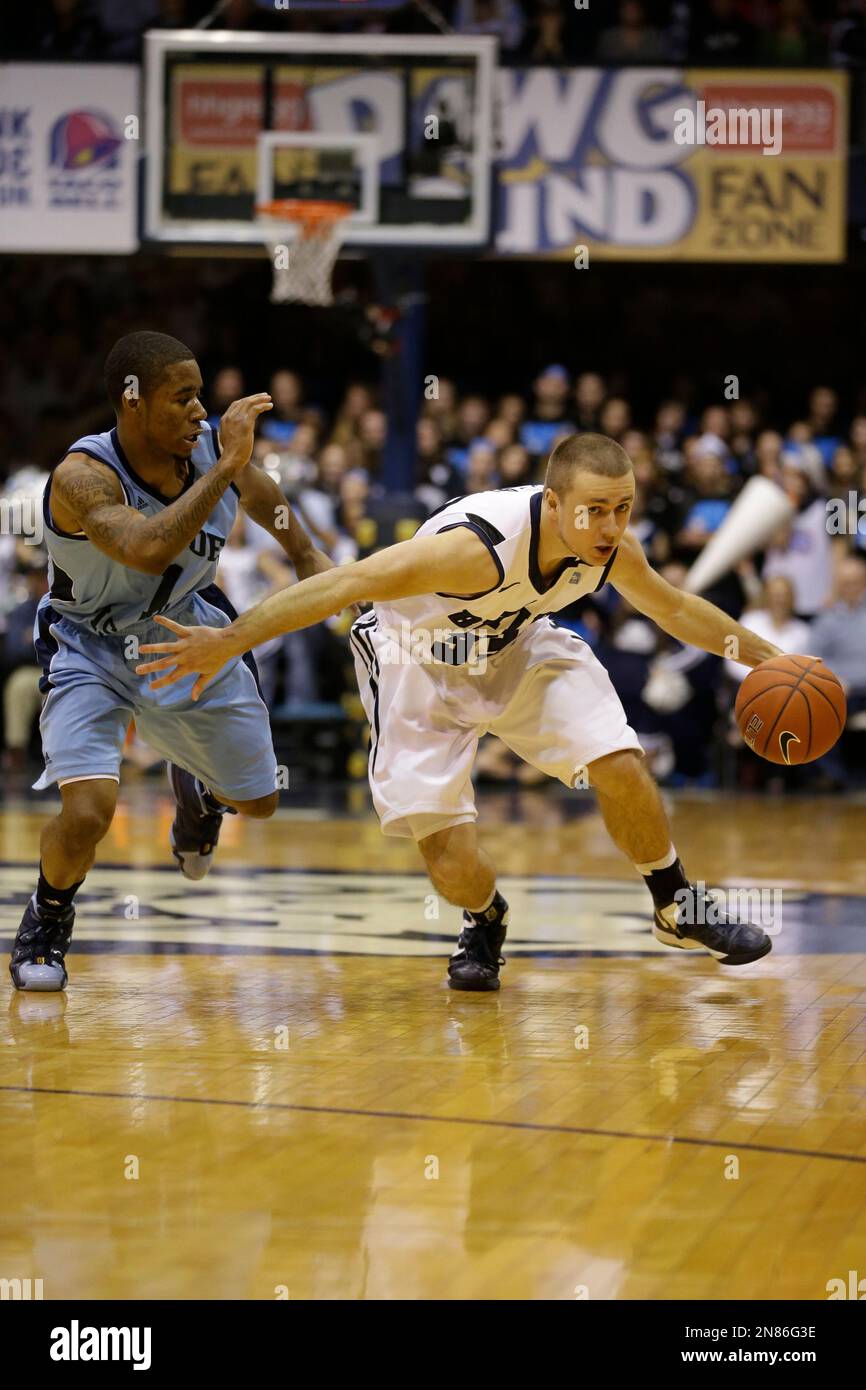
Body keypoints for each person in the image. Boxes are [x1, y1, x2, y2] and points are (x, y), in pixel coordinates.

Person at [139, 433, 781, 988]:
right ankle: (486, 918)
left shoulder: (610, 547)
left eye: (622, 508)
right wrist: (227, 641)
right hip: (414, 658)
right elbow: (343, 584)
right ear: (553, 504)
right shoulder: (473, 550)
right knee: (449, 861)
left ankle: (674, 903)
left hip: (517, 644)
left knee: (618, 759)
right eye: (595, 511)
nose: (611, 527)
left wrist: (771, 660)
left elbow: (672, 609)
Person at [9, 330, 332, 992]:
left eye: (200, 397)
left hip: (188, 634)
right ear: (132, 402)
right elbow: (148, 549)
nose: (198, 412)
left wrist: (303, 553)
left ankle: (203, 790)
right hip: (87, 646)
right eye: (181, 398)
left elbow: (263, 491)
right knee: (91, 811)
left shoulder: (214, 450)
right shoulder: (81, 477)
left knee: (263, 802)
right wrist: (226, 466)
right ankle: (47, 917)